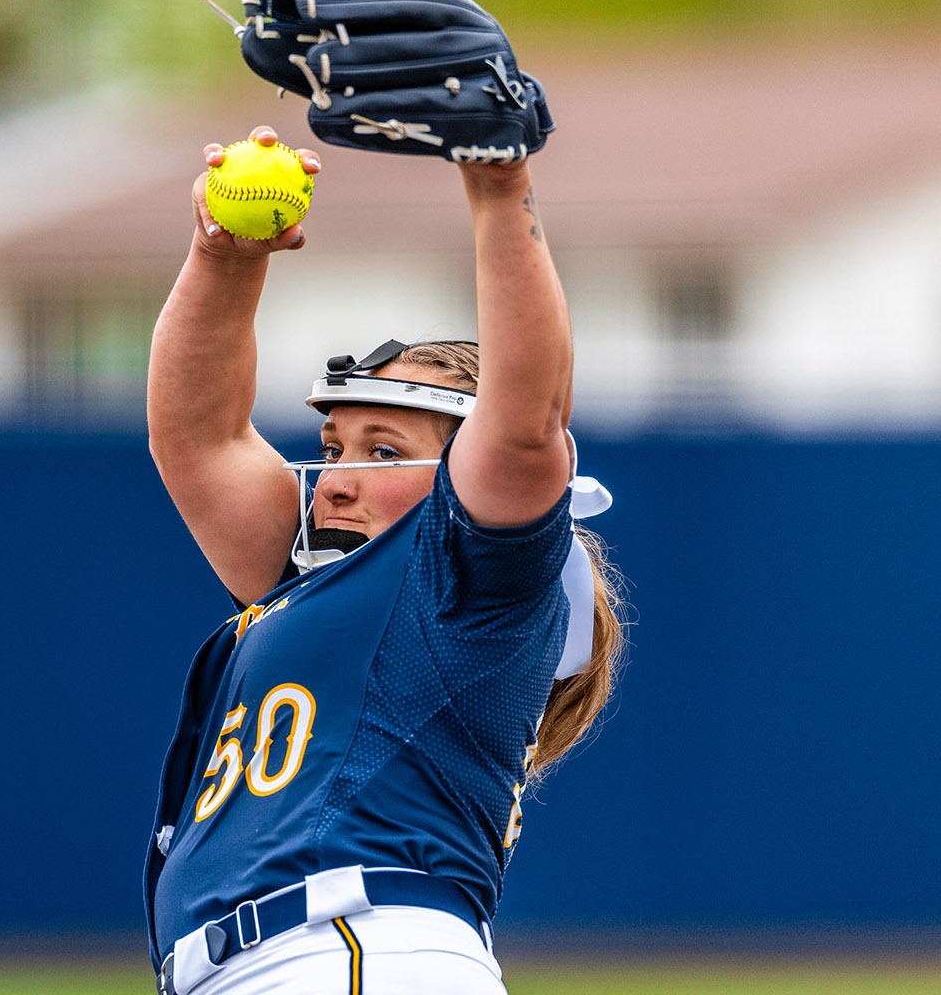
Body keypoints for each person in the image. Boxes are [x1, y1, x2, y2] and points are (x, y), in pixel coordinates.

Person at [141, 124, 625, 995]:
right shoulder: (328, 584)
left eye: (381, 449)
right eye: (333, 447)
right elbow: (200, 436)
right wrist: (224, 258)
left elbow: (524, 418)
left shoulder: (469, 582)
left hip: (351, 953)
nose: (337, 476)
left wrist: (498, 181)